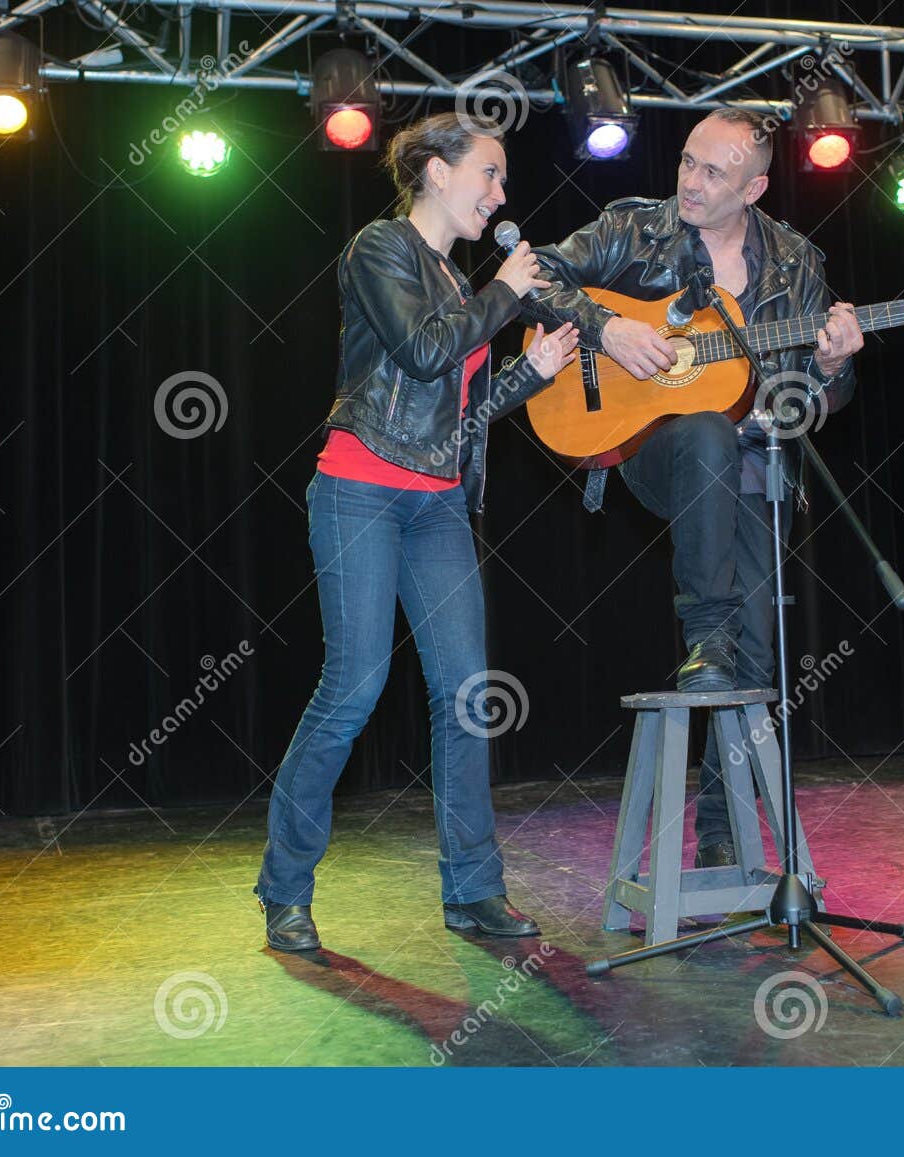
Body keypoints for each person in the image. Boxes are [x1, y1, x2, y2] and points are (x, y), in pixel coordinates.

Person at [254, 112, 579, 950]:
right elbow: (424, 350)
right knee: (354, 686)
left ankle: (472, 890)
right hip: (359, 487)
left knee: (466, 695)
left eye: (504, 181)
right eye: (490, 175)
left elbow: (461, 417)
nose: (501, 195)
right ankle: (284, 886)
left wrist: (529, 374)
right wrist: (506, 293)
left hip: (436, 502)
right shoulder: (380, 249)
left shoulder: (458, 281)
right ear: (437, 172)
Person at [525, 108, 863, 868]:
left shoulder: (794, 261)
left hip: (754, 466)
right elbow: (536, 273)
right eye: (686, 161)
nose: (690, 181)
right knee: (706, 427)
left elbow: (810, 400)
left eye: (713, 172)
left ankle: (719, 830)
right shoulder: (635, 226)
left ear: (756, 186)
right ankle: (703, 631)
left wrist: (835, 368)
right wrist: (607, 329)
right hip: (654, 447)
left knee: (757, 662)